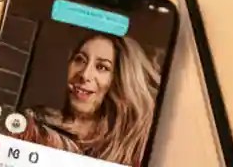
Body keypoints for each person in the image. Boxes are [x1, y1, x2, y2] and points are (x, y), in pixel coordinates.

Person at [21, 34, 161, 167]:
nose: (84, 74)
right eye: (80, 60)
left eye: (102, 67)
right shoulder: (33, 128)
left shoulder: (138, 147)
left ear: (122, 80)